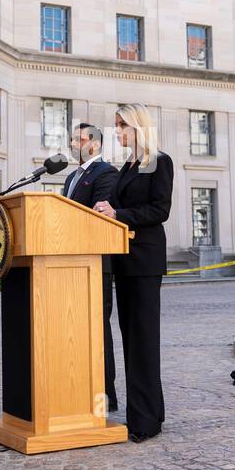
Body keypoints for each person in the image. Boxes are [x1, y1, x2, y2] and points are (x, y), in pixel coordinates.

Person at [95, 102, 173, 443]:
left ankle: (145, 422)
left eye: (121, 125)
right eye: (115, 125)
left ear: (137, 126)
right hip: (124, 264)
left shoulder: (159, 162)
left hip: (145, 263)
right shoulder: (125, 166)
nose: (116, 131)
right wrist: (103, 210)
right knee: (131, 341)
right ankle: (149, 412)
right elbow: (113, 205)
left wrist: (119, 213)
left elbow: (160, 209)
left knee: (143, 342)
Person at [65, 122, 122, 412]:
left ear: (95, 144)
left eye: (79, 138)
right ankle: (75, 387)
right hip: (68, 264)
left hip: (95, 263)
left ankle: (105, 394)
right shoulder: (71, 177)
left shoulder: (106, 173)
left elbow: (98, 216)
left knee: (97, 328)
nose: (73, 143)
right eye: (71, 139)